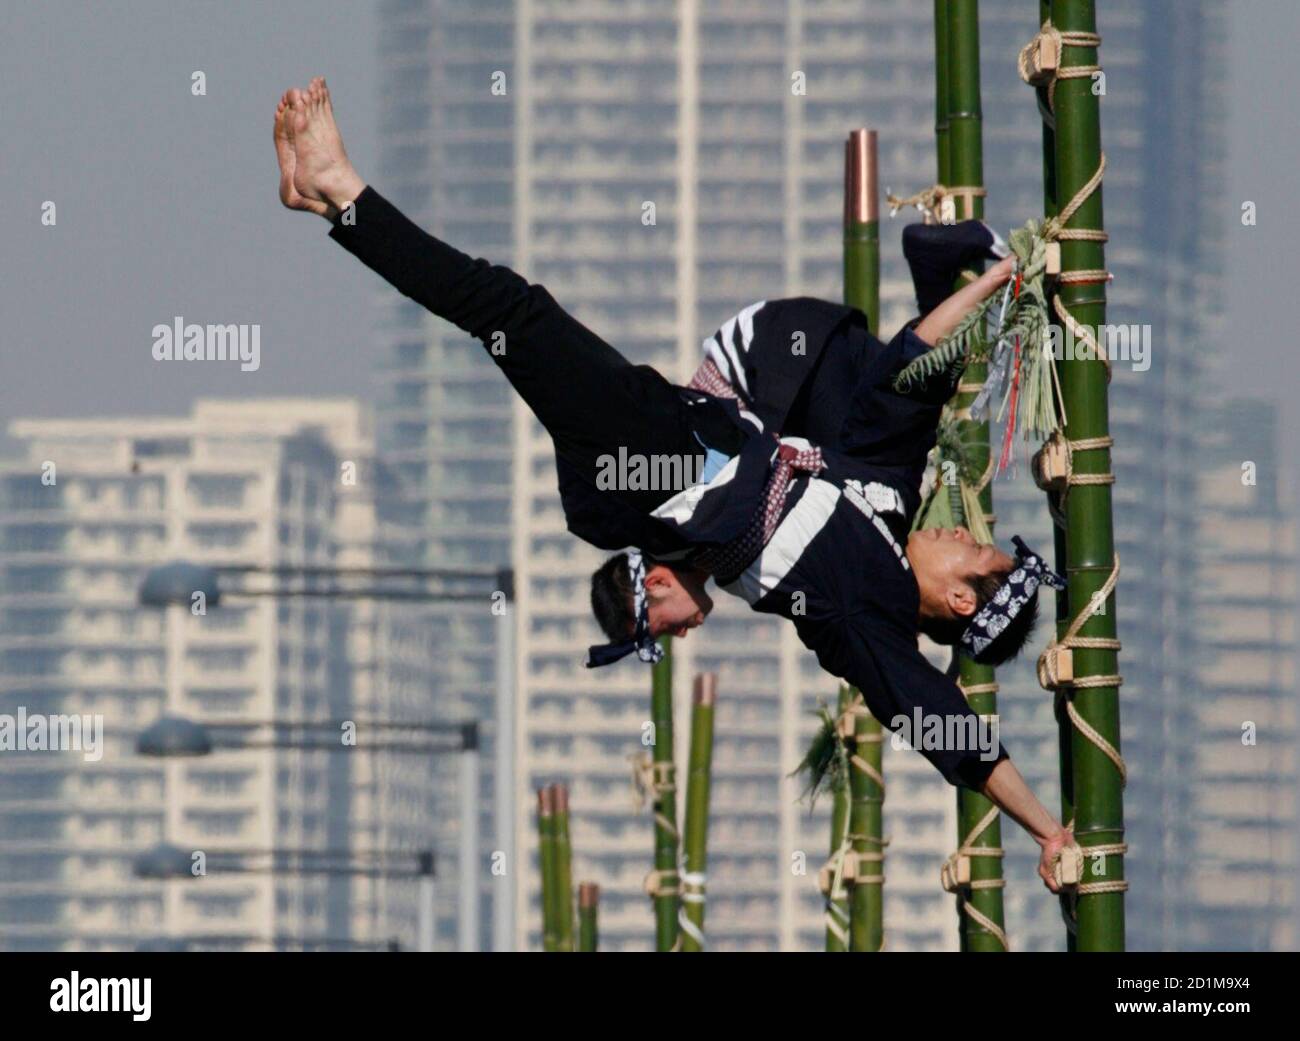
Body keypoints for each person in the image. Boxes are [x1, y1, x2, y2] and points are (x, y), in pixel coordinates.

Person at [274, 78, 1075, 890]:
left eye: (974, 552)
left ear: (963, 600)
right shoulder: (885, 497)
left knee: (509, 313)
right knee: (511, 315)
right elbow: (913, 369)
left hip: (658, 458)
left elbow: (950, 731)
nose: (963, 532)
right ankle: (335, 197)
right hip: (686, 434)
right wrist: (997, 282)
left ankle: (340, 189)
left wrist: (1047, 830)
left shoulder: (870, 622)